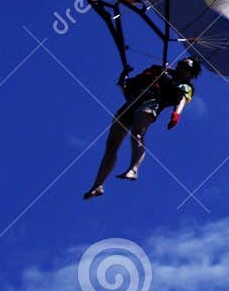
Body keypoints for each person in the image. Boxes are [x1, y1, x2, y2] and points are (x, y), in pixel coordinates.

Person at [83, 56, 200, 198]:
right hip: (130, 104)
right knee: (111, 145)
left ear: (191, 74)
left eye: (187, 68)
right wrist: (124, 76)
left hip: (151, 103)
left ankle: (133, 169)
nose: (182, 68)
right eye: (181, 64)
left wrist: (176, 114)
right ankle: (98, 185)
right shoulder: (157, 70)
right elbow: (128, 89)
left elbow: (181, 99)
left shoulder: (184, 85)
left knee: (137, 133)